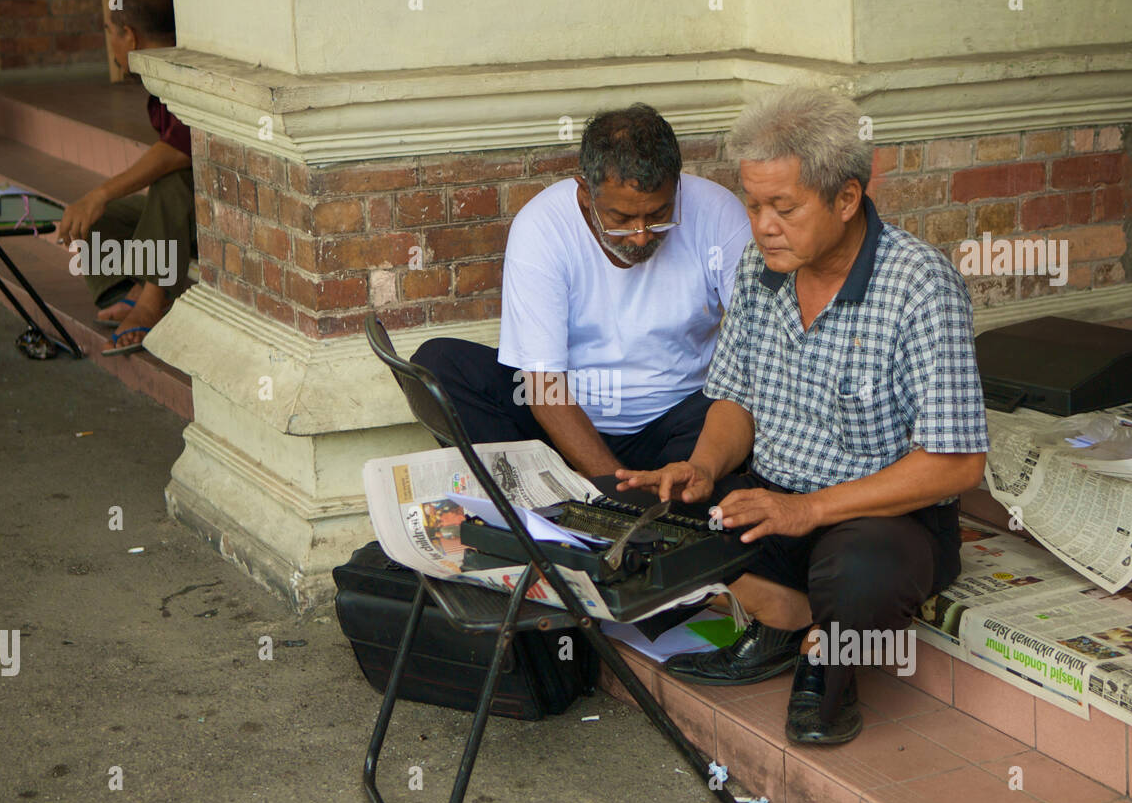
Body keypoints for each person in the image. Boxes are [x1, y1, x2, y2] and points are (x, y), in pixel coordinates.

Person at [617, 86, 990, 745]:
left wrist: (811, 511)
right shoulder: (759, 268)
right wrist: (703, 467)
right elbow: (734, 400)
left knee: (862, 571)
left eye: (782, 207)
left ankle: (827, 663)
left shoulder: (917, 284)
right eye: (754, 205)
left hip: (879, 519)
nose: (762, 225)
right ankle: (782, 618)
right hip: (777, 503)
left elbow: (956, 462)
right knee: (659, 511)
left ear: (846, 198)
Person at [412, 104, 752, 478]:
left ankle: (638, 500)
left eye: (659, 214)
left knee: (742, 409)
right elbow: (542, 385)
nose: (641, 235)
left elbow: (756, 347)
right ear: (586, 193)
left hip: (679, 425)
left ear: (677, 185)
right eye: (621, 219)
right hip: (567, 422)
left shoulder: (719, 214)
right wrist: (615, 489)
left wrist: (701, 464)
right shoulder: (542, 227)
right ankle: (570, 496)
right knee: (439, 365)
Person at [56, 0, 194, 357]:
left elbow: (180, 151)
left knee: (173, 182)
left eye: (109, 34)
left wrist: (100, 193)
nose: (111, 46)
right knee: (97, 220)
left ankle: (152, 298)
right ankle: (131, 288)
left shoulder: (185, 72)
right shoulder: (157, 78)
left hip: (222, 217)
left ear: (129, 37)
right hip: (181, 220)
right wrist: (96, 201)